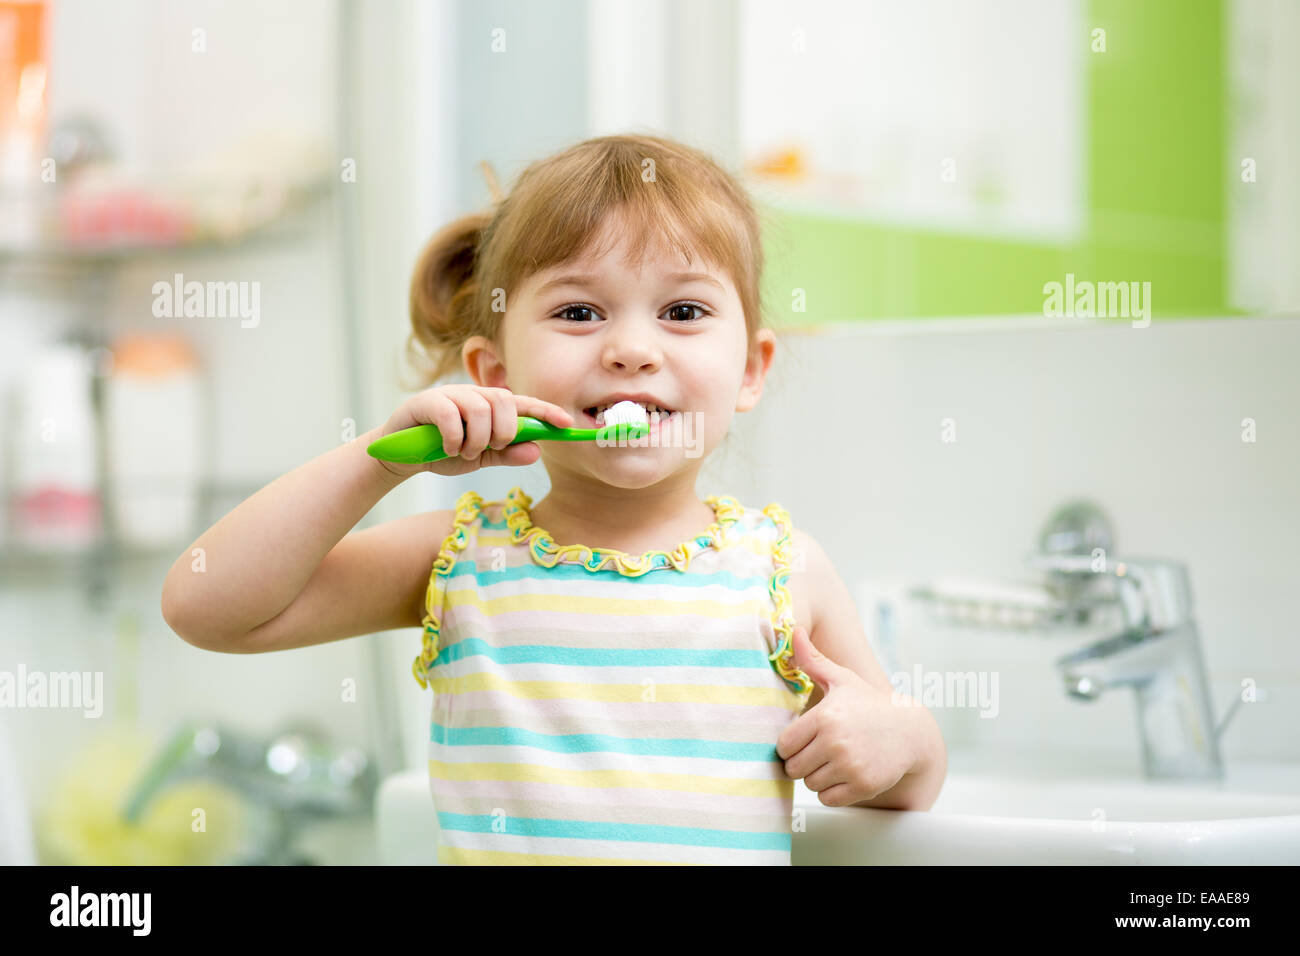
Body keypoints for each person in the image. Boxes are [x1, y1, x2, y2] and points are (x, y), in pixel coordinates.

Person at [162, 133, 946, 865]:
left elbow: (913, 782)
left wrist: (901, 737)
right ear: (495, 376)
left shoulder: (784, 572)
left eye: (683, 312)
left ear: (750, 369)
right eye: (579, 312)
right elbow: (206, 604)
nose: (632, 350)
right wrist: (377, 462)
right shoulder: (460, 558)